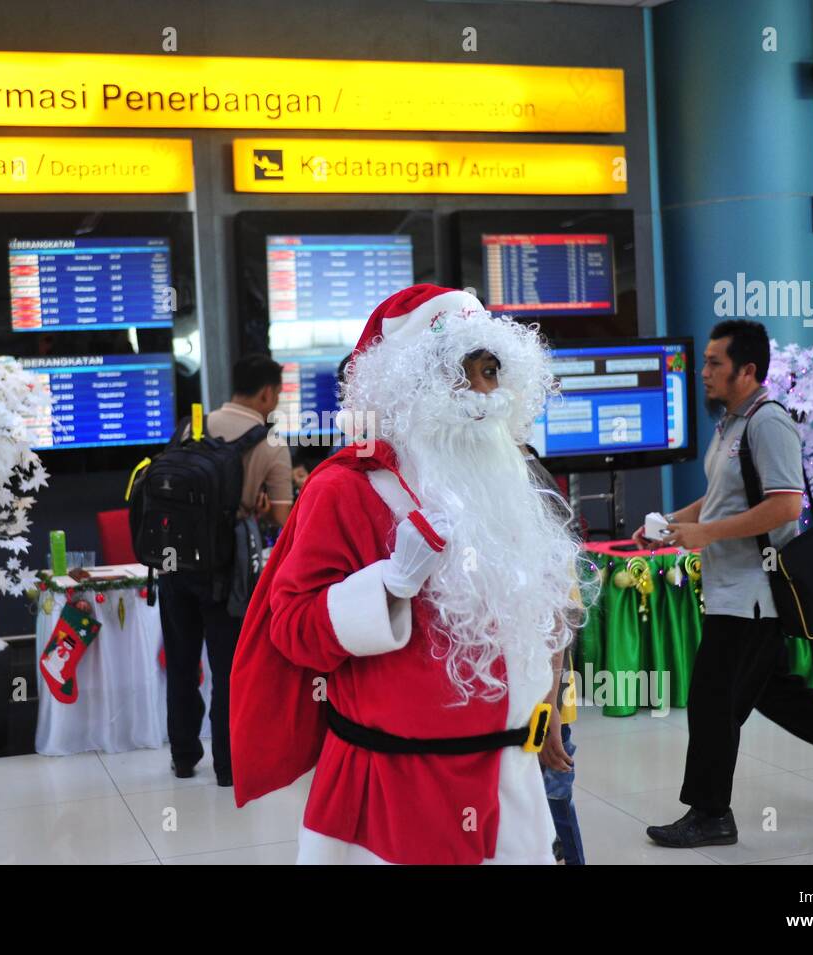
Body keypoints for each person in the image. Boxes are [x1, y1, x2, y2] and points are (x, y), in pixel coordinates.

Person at [230, 285, 590, 864]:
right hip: (395, 793)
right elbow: (293, 628)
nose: (482, 393)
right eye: (459, 372)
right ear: (409, 386)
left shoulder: (510, 476)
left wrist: (547, 705)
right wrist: (390, 582)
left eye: (491, 370)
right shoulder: (343, 489)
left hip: (511, 785)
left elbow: (541, 604)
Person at [634, 319, 813, 848]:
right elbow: (719, 500)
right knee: (779, 697)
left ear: (748, 369)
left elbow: (784, 506)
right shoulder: (730, 424)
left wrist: (705, 533)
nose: (704, 371)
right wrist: (673, 525)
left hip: (754, 597)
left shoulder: (769, 423)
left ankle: (711, 814)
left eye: (715, 363)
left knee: (711, 701)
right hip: (730, 591)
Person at [158, 353, 293, 787]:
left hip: (174, 563)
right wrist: (261, 507)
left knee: (181, 663)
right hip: (226, 571)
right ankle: (228, 766)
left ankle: (183, 756)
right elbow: (284, 521)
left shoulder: (191, 425)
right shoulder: (270, 444)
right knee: (227, 668)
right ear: (266, 393)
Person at [520, 443, 584, 865]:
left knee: (554, 800)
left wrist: (548, 711)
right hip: (522, 697)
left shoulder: (543, 542)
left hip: (543, 697)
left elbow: (558, 620)